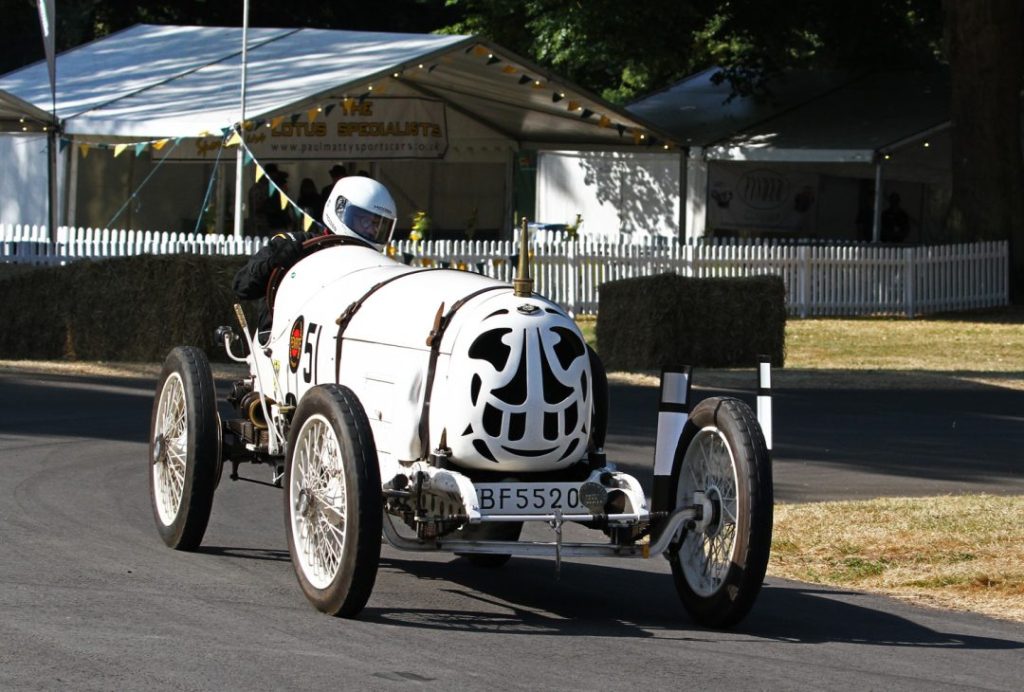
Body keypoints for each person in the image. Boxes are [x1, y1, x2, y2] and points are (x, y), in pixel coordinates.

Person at [233, 176, 398, 333]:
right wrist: (275, 260)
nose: (372, 230)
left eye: (379, 225)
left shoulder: (377, 266)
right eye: (365, 221)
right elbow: (242, 286)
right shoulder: (295, 244)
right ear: (340, 209)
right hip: (283, 344)